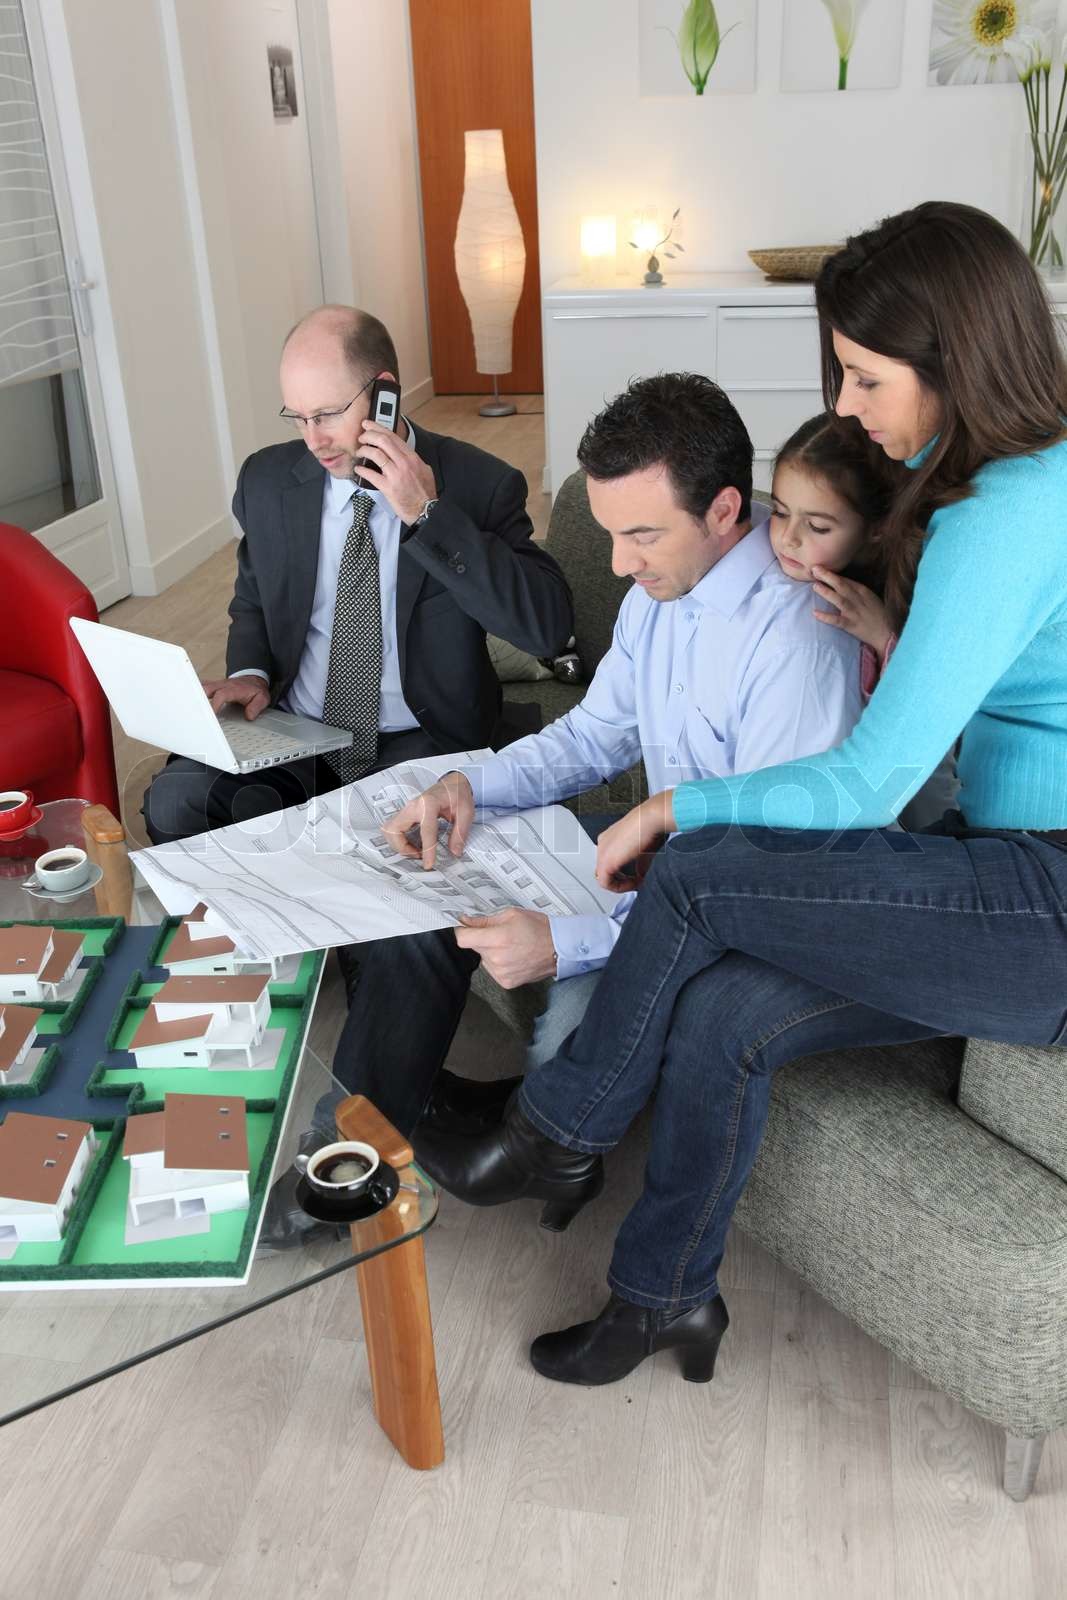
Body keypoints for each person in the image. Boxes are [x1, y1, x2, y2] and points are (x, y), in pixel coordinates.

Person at [415, 200, 1067, 1389]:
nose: (849, 410)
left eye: (866, 378)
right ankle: (660, 1299)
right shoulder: (1020, 489)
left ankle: (555, 1133)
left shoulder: (1005, 514)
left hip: (1044, 898)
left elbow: (867, 782)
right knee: (724, 1019)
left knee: (704, 868)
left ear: (953, 356)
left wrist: (673, 811)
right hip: (998, 865)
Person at [360, 378, 894, 1154]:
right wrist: (466, 784)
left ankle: (530, 1137)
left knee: (564, 1038)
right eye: (612, 534)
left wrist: (566, 942)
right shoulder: (656, 591)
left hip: (748, 887)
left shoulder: (800, 634)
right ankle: (366, 1129)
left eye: (640, 533)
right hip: (660, 854)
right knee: (430, 863)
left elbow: (753, 870)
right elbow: (591, 737)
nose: (616, 564)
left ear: (720, 510)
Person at [142, 304, 573, 845]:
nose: (312, 438)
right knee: (175, 801)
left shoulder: (478, 483)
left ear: (384, 393)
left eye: (325, 414)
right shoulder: (267, 481)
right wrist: (250, 674)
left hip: (419, 739)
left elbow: (547, 628)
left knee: (390, 852)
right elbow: (252, 598)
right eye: (297, 417)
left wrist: (428, 515)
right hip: (295, 736)